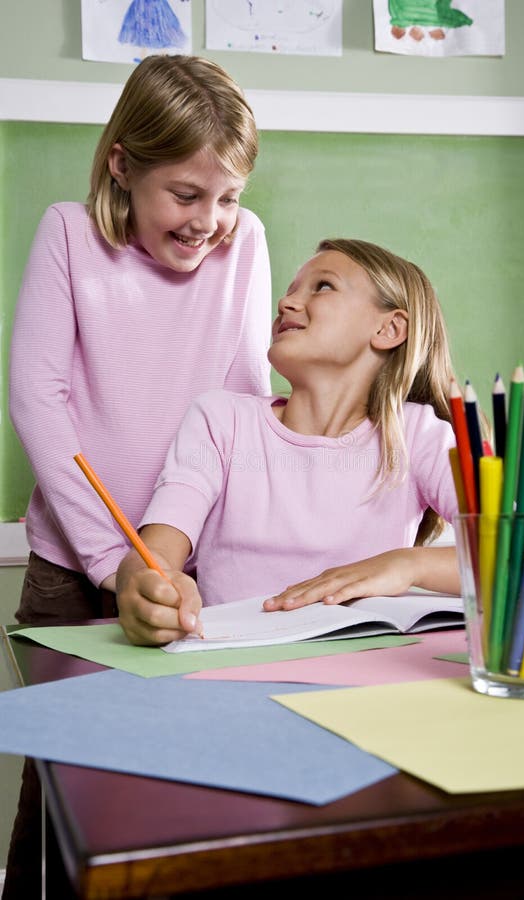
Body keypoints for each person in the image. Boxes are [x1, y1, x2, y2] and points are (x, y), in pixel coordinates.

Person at [6, 54, 272, 899]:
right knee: (62, 795)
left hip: (188, 577)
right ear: (122, 164)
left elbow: (245, 401)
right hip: (70, 573)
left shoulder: (249, 243)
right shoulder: (68, 233)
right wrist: (108, 558)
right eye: (186, 197)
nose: (210, 222)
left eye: (226, 197)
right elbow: (36, 396)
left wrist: (174, 553)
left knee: (180, 788)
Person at [116, 238, 462, 647]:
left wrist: (408, 565)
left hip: (361, 673)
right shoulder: (220, 420)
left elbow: (519, 557)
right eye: (290, 290)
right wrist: (143, 587)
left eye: (322, 286)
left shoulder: (418, 435)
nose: (286, 303)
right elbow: (153, 554)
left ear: (388, 328)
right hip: (227, 664)